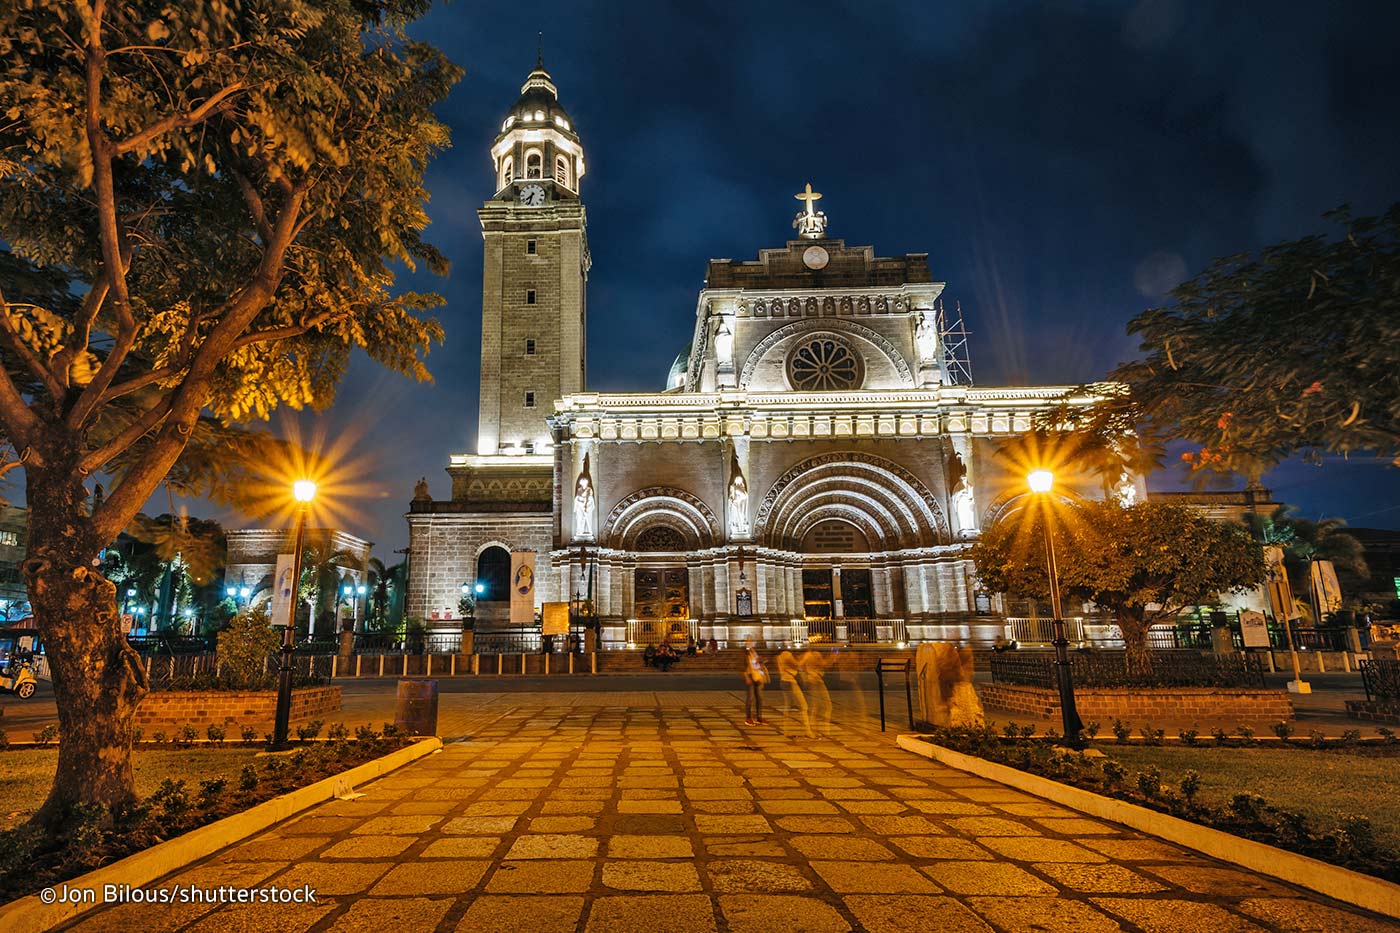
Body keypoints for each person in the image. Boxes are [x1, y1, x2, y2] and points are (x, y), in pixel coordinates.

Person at [776, 650, 814, 738]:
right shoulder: (786, 654)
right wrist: (806, 657)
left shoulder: (780, 656)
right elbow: (797, 665)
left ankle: (786, 731)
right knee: (804, 706)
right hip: (790, 682)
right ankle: (808, 731)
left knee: (787, 707)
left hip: (784, 681)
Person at [798, 649, 833, 734]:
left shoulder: (807, 656)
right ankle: (825, 728)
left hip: (812, 680)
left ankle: (813, 726)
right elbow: (823, 664)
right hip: (817, 681)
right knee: (827, 705)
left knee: (815, 705)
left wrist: (805, 677)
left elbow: (800, 667)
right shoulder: (815, 654)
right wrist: (832, 658)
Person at [742, 640, 768, 725]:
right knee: (750, 698)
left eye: (752, 642)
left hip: (757, 677)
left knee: (759, 698)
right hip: (750, 676)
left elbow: (757, 663)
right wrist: (746, 676)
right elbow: (743, 665)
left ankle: (759, 717)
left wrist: (761, 661)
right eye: (749, 642)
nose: (751, 643)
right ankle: (748, 718)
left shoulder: (754, 652)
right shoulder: (745, 653)